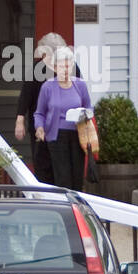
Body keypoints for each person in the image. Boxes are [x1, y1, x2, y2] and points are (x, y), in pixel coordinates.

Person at [34, 46, 92, 191]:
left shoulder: (80, 85)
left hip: (78, 135)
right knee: (63, 176)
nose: (65, 70)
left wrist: (85, 113)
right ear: (54, 67)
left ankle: (76, 207)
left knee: (77, 176)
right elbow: (39, 113)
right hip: (56, 135)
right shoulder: (48, 87)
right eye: (61, 66)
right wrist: (39, 127)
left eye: (68, 66)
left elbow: (89, 108)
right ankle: (66, 207)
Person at [16, 32, 65, 184]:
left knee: (61, 166)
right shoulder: (37, 69)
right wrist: (20, 120)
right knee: (43, 165)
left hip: (63, 126)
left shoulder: (71, 68)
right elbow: (26, 95)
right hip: (40, 126)